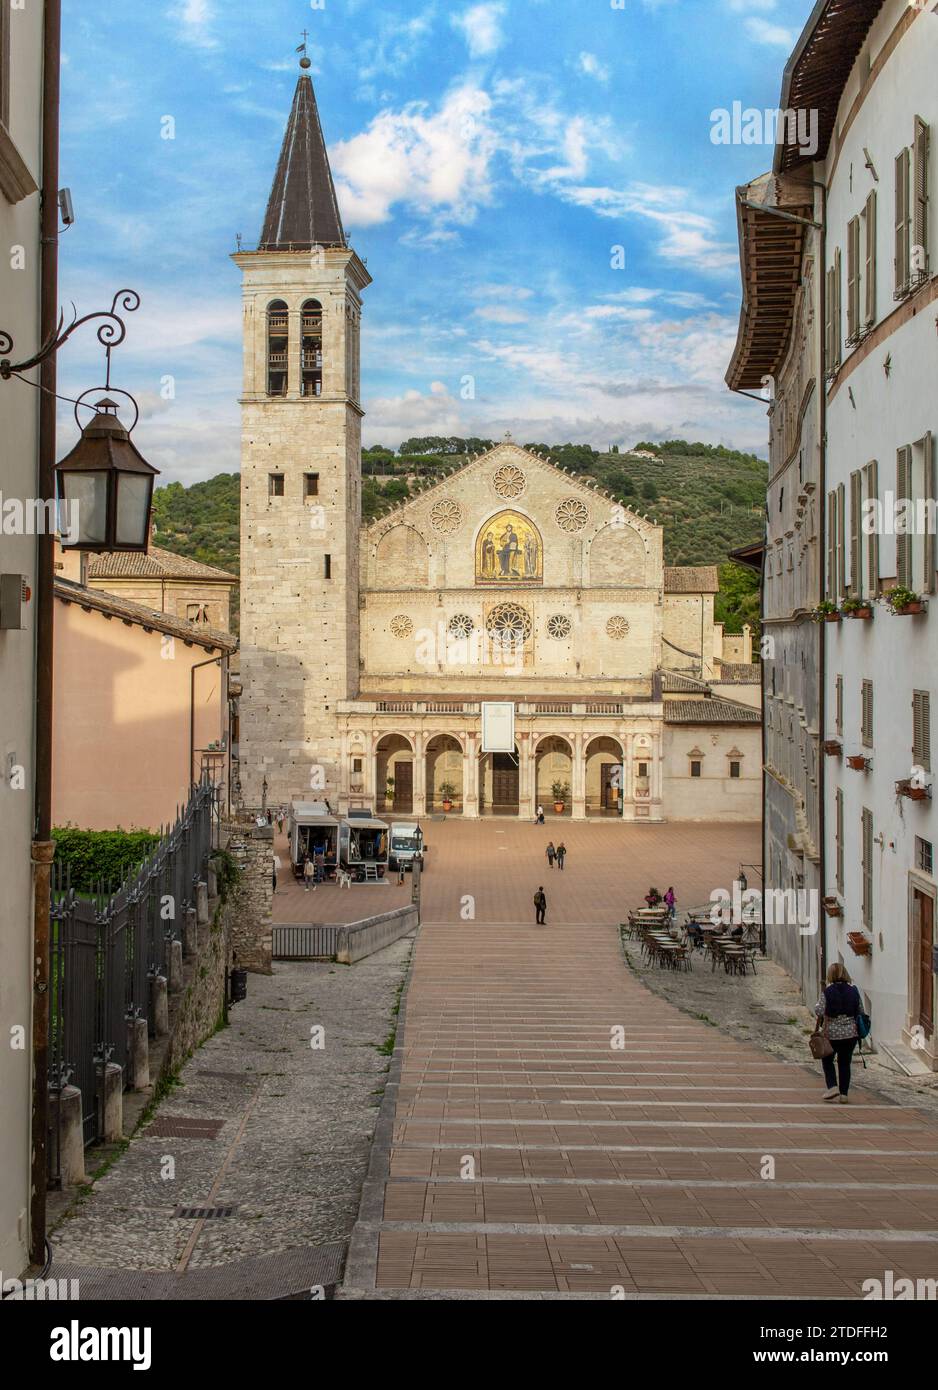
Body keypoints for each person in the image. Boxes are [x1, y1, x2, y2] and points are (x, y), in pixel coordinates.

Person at [814, 962, 862, 1103]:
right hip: (850, 1034)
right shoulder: (853, 990)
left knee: (827, 1060)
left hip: (832, 1034)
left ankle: (832, 1086)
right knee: (845, 1063)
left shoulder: (827, 992)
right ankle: (844, 1094)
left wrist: (819, 1005)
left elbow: (819, 1011)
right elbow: (860, 1010)